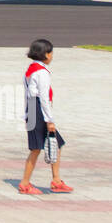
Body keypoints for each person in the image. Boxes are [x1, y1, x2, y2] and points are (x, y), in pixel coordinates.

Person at [17, 38, 72, 194]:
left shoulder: (31, 69)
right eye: (51, 53)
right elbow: (44, 97)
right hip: (38, 111)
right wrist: (50, 120)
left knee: (57, 143)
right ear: (46, 54)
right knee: (36, 148)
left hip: (32, 110)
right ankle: (25, 183)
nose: (52, 56)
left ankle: (56, 180)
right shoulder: (42, 72)